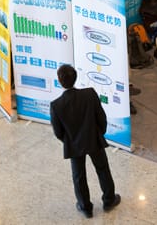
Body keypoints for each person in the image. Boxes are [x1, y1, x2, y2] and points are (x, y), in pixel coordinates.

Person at [50, 64, 121, 219]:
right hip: (93, 139)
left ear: (59, 81)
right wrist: (98, 133)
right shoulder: (89, 94)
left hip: (74, 144)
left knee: (78, 176)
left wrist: (69, 140)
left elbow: (58, 132)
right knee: (103, 169)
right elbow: (101, 117)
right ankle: (109, 200)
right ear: (76, 77)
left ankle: (85, 207)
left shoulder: (56, 105)